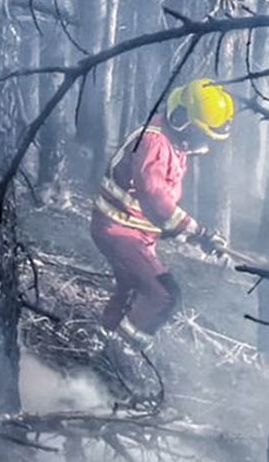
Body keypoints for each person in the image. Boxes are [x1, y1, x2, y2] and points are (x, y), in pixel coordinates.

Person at [91, 78, 237, 341]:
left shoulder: (173, 140)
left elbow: (161, 204)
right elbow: (154, 198)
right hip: (120, 231)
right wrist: (199, 233)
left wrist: (200, 238)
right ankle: (122, 350)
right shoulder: (154, 142)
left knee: (131, 290)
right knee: (164, 295)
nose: (203, 142)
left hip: (133, 231)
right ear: (182, 119)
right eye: (200, 133)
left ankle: (104, 339)